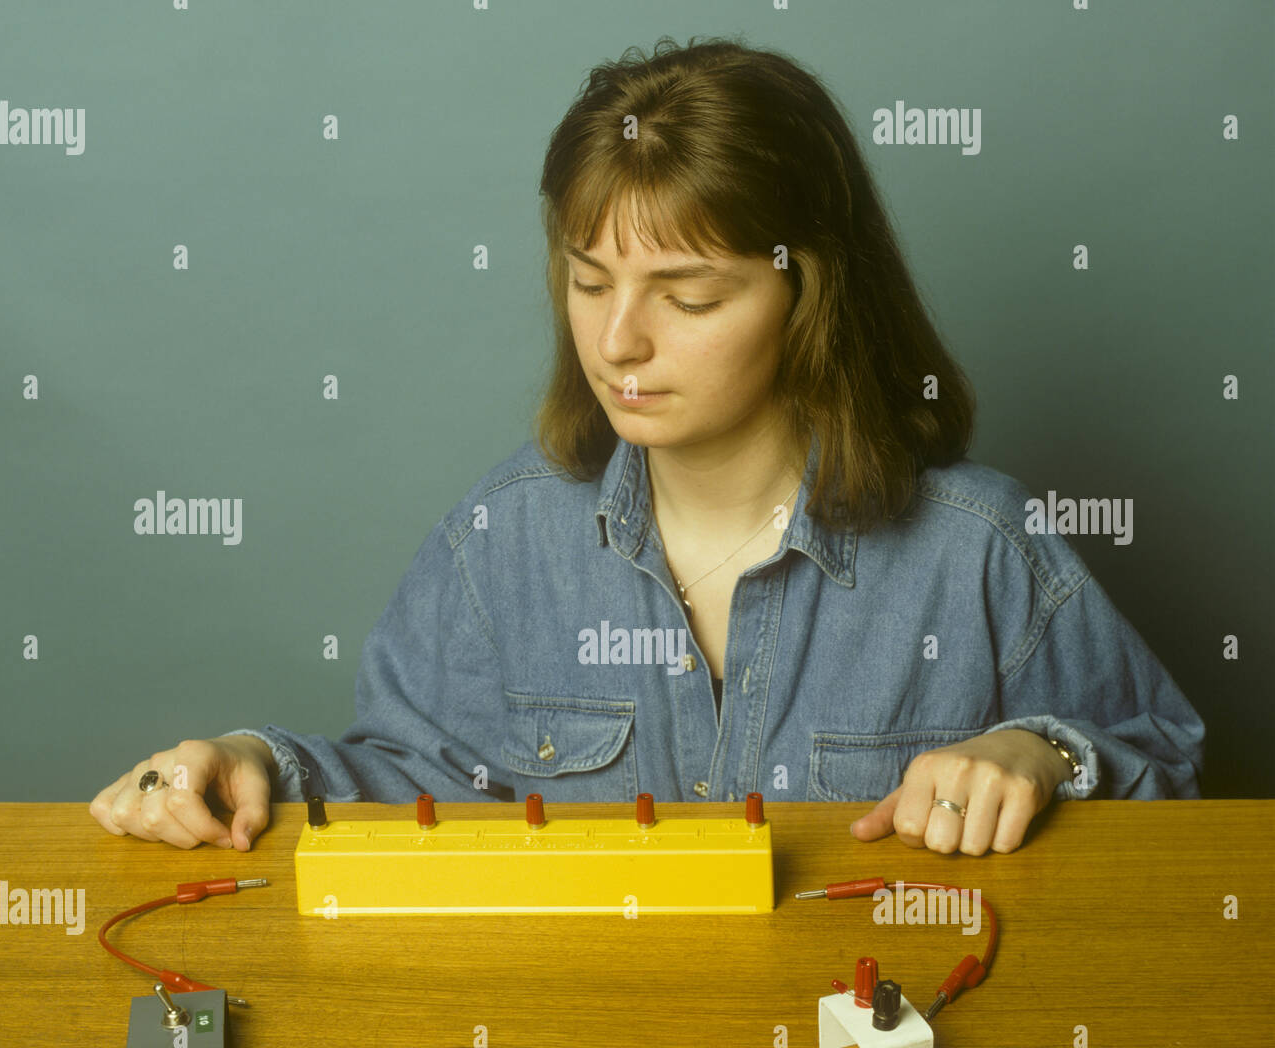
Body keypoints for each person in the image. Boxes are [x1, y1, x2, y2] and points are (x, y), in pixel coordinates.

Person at [89, 37, 1203, 859]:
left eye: (688, 295)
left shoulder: (981, 550)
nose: (617, 340)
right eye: (588, 283)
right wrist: (249, 764)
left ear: (805, 292)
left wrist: (1044, 755)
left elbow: (1177, 774)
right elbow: (409, 785)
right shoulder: (503, 538)